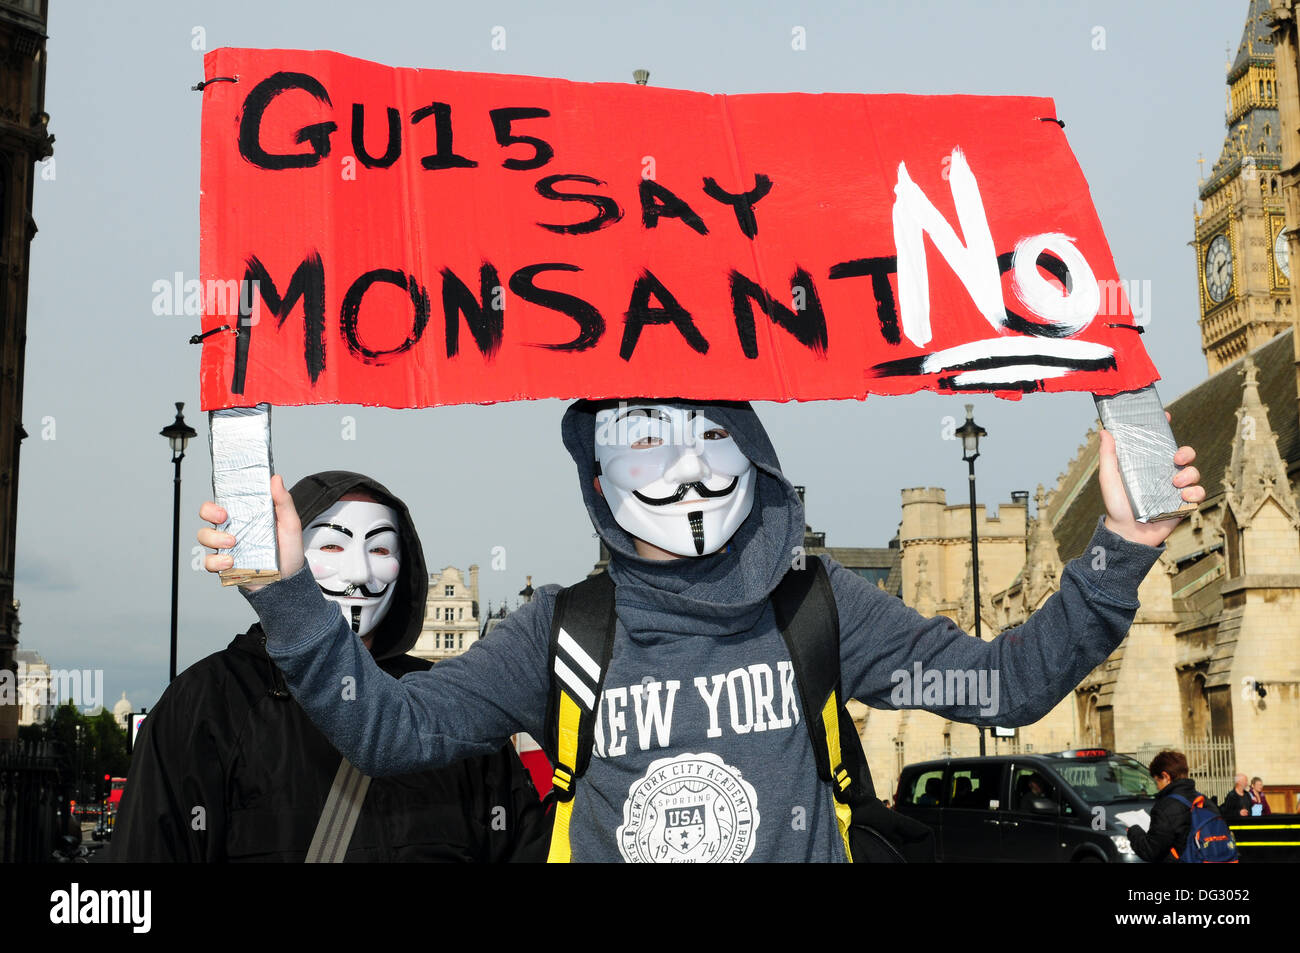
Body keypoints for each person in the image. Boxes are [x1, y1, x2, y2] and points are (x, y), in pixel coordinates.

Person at [201, 400, 1204, 862]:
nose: (683, 465)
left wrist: (1120, 544)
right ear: (599, 478)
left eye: (706, 432)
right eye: (643, 437)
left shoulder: (817, 605)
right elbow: (390, 729)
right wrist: (289, 592)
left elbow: (1001, 686)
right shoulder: (563, 627)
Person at [116, 470, 549, 862]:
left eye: (379, 547)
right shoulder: (206, 704)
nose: (359, 571)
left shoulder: (447, 702)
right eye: (331, 545)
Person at [1125, 750, 1202, 862]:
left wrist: (1134, 830)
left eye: (1157, 781)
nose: (1157, 787)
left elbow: (1150, 851)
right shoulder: (1204, 800)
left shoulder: (1166, 807)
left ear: (1166, 776)